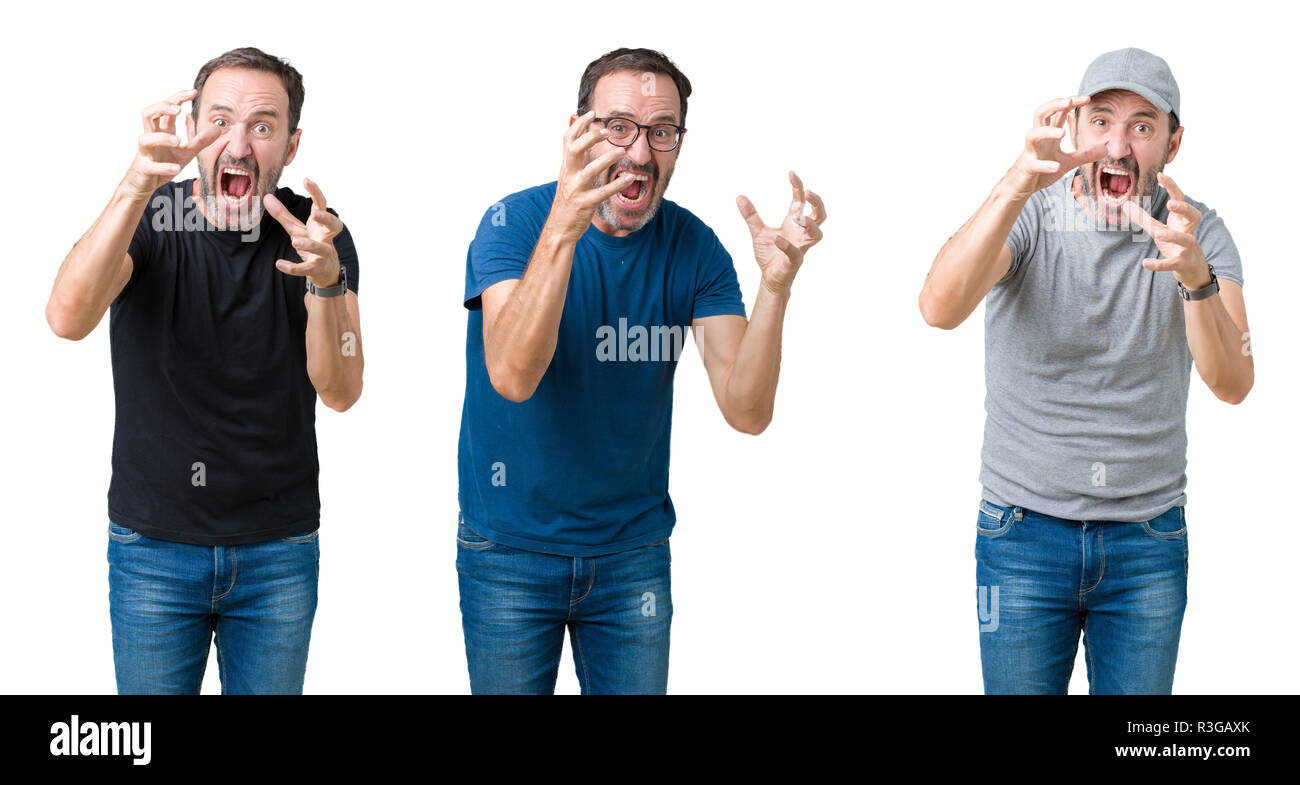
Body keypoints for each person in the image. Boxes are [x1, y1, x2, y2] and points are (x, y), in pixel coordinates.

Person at [457, 47, 826, 694]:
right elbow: (513, 375)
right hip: (508, 551)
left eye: (661, 131)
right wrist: (565, 228)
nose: (639, 151)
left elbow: (747, 410)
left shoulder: (696, 247)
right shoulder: (511, 224)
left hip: (633, 557)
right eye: (618, 126)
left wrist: (775, 287)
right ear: (579, 132)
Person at [919, 48, 1252, 694]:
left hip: (1147, 544)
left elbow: (1234, 382)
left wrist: (1195, 281)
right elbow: (938, 306)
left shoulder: (1199, 236)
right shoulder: (1030, 217)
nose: (1118, 146)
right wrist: (1019, 180)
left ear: (1173, 144)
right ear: (1074, 131)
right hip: (1020, 534)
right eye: (1101, 121)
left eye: (1142, 126)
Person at [45, 47, 364, 694]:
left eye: (263, 126)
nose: (239, 144)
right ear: (193, 131)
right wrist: (137, 184)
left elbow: (341, 388)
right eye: (219, 121)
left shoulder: (317, 236)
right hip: (152, 548)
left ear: (292, 144)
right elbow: (66, 318)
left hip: (279, 549)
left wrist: (328, 283)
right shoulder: (149, 220)